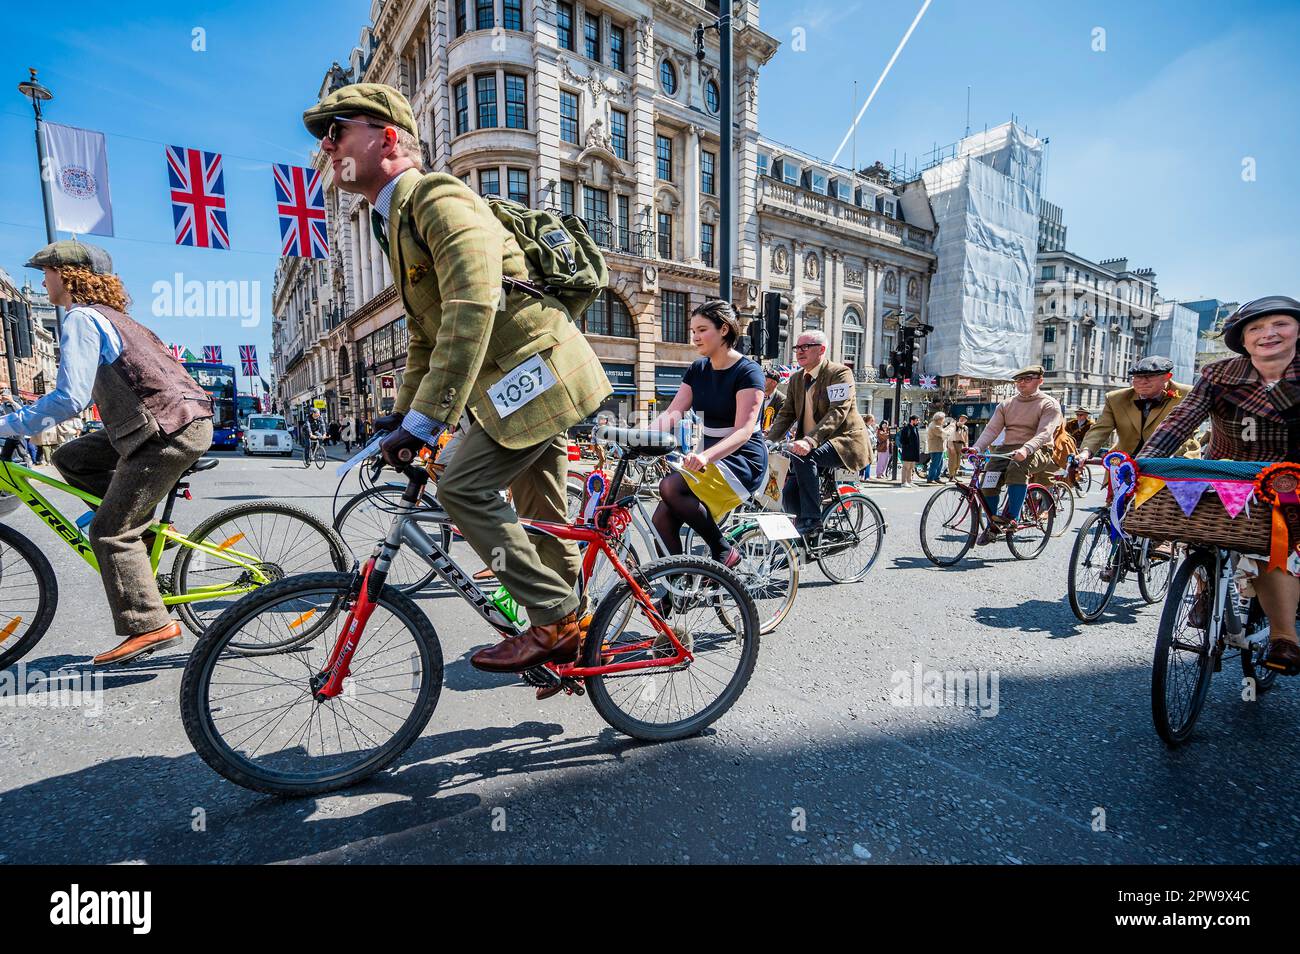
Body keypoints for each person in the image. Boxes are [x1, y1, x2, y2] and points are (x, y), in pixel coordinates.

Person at [306, 82, 611, 680]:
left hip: (535, 375)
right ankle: (573, 635)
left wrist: (430, 420)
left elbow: (473, 303)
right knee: (543, 513)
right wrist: (401, 417)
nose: (327, 145)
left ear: (388, 137)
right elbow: (426, 332)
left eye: (338, 129)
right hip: (514, 385)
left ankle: (552, 618)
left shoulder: (437, 196)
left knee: (463, 489)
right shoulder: (392, 220)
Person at [0, 240, 213, 665]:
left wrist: (8, 424)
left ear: (68, 274)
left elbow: (68, 399)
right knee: (71, 458)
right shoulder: (116, 317)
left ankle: (150, 623)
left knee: (108, 532)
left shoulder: (81, 317)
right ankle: (145, 535)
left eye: (47, 271)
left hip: (163, 429)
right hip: (168, 422)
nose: (43, 280)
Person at [1141, 297, 1300, 673]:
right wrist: (1144, 463)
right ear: (1242, 340)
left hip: (1290, 475)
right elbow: (1182, 420)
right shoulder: (1218, 374)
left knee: (1274, 547)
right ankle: (1207, 586)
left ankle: (1283, 638)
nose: (1268, 334)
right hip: (1227, 468)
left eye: (1281, 324)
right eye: (1255, 329)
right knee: (1197, 529)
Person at [651, 300, 765, 564]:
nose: (695, 337)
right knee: (660, 522)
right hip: (707, 456)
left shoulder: (748, 371)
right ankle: (673, 592)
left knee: (670, 486)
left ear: (724, 329)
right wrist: (635, 438)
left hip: (741, 459)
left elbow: (744, 431)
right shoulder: (698, 369)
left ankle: (723, 551)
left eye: (702, 330)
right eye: (693, 331)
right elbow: (673, 412)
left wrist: (705, 457)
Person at [764, 330, 869, 539]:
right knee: (790, 488)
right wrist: (768, 441)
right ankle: (801, 537)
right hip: (811, 443)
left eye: (805, 347)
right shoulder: (795, 379)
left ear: (821, 350)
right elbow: (786, 414)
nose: (799, 352)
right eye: (797, 348)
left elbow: (838, 411)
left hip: (843, 442)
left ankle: (812, 521)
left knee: (804, 456)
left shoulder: (839, 373)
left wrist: (810, 441)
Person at [968, 365, 1063, 544]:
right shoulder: (1006, 404)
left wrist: (1026, 449)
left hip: (1038, 448)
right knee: (989, 476)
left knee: (1016, 468)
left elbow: (1044, 432)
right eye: (1019, 380)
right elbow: (991, 430)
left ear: (1040, 380)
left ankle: (1013, 517)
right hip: (1008, 447)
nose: (1022, 383)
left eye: (1028, 379)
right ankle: (993, 525)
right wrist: (977, 448)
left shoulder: (1049, 403)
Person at [896, 415, 922, 485]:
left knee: (911, 467)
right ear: (912, 420)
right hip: (908, 451)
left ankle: (909, 481)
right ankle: (904, 482)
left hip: (914, 451)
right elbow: (902, 440)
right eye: (917, 420)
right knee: (905, 467)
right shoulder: (906, 428)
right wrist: (908, 446)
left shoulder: (915, 428)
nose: (918, 422)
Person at [925, 411, 948, 482]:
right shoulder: (935, 426)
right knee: (935, 464)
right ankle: (931, 478)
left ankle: (936, 477)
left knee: (939, 464)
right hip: (936, 448)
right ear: (939, 419)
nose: (944, 420)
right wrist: (950, 429)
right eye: (943, 418)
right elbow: (944, 434)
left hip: (939, 448)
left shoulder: (936, 425)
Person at [947, 414, 970, 479]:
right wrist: (951, 447)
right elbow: (949, 437)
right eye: (961, 418)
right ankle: (951, 476)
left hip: (961, 445)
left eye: (964, 419)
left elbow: (966, 438)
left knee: (958, 461)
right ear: (959, 418)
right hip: (953, 444)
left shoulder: (965, 428)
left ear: (966, 421)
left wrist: (966, 448)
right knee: (952, 461)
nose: (962, 420)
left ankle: (954, 475)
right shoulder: (953, 425)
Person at [860, 413, 878, 479]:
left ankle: (866, 475)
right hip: (866, 446)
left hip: (871, 446)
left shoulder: (870, 427)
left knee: (869, 461)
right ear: (869, 420)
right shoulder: (864, 427)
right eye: (872, 420)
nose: (873, 422)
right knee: (866, 461)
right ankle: (864, 475)